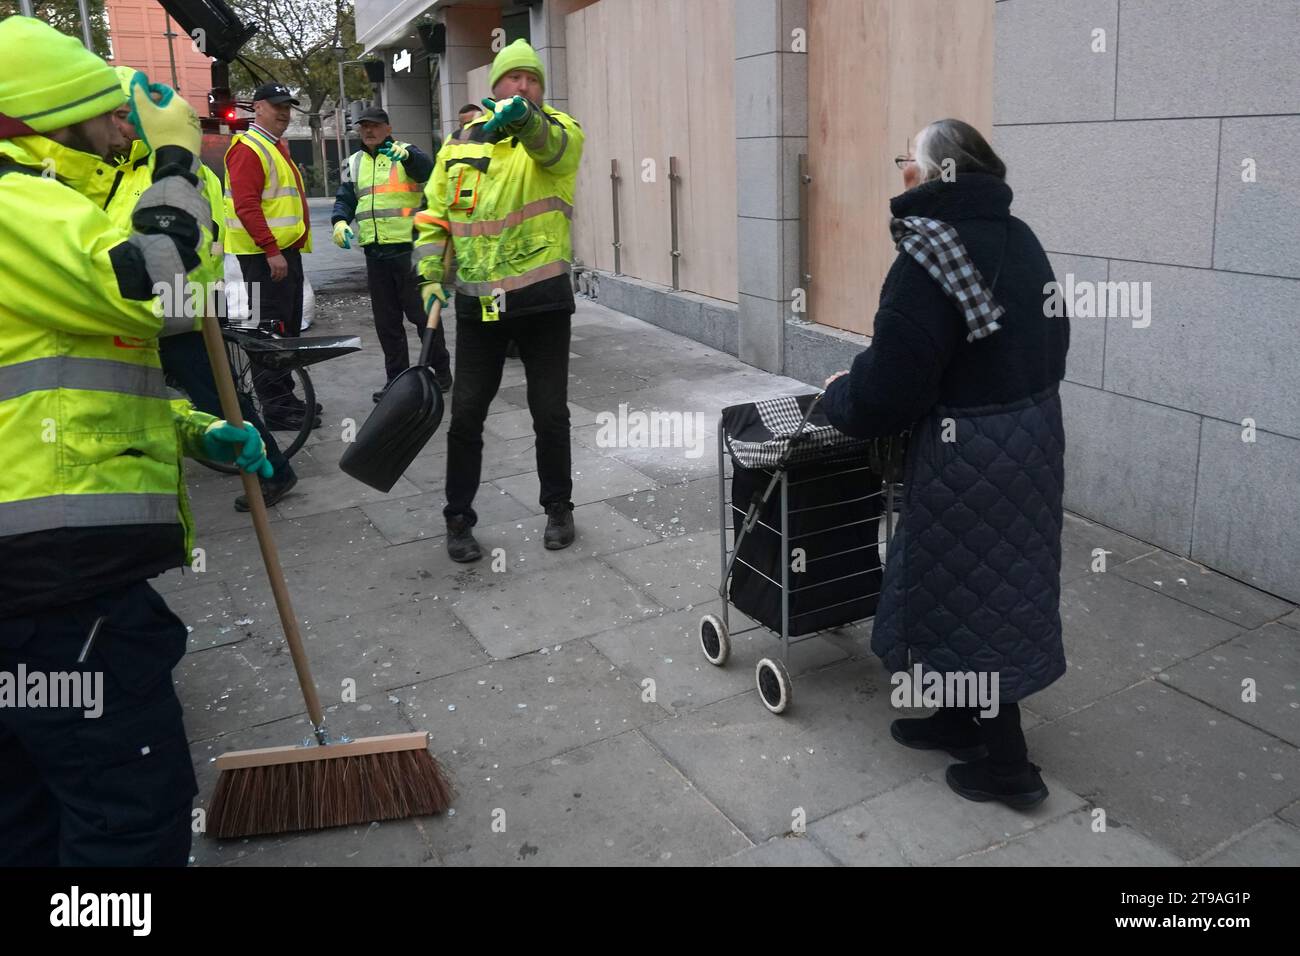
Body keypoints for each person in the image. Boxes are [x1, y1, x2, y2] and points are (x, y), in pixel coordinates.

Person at [0, 15, 272, 865]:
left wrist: (194, 431)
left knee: (33, 810)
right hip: (50, 587)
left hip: (39, 580)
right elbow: (149, 285)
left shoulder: (45, 210)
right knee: (128, 817)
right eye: (108, 112)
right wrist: (180, 159)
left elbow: (61, 376)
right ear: (49, 116)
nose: (125, 126)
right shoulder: (16, 205)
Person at [820, 118, 1069, 810]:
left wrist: (843, 401)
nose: (901, 170)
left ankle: (1010, 767)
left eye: (909, 160)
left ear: (935, 177)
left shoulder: (928, 255)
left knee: (979, 595)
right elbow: (1057, 336)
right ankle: (960, 720)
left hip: (970, 450)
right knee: (975, 584)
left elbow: (893, 385)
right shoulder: (1018, 237)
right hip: (1030, 437)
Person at [414, 39, 584, 562]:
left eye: (532, 79)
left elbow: (553, 149)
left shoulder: (559, 129)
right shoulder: (459, 143)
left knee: (549, 413)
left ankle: (559, 508)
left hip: (542, 302)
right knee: (465, 416)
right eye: (514, 79)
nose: (524, 86)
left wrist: (526, 120)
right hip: (478, 307)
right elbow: (435, 212)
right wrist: (429, 273)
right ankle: (458, 519)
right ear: (494, 87)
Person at [107, 66, 298, 510]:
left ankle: (274, 471)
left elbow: (196, 236)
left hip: (180, 305)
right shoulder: (116, 171)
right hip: (143, 309)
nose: (116, 125)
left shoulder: (172, 168)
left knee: (219, 397)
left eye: (123, 114)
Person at [331, 106, 451, 401]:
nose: (369, 131)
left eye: (374, 125)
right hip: (376, 253)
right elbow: (345, 197)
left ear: (388, 127)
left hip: (408, 251)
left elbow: (430, 172)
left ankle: (441, 371)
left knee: (422, 317)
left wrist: (408, 157)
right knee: (387, 323)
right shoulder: (353, 162)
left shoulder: (405, 152)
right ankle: (396, 378)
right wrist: (340, 221)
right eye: (364, 127)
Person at [223, 81, 320, 436]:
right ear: (257, 107)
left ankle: (286, 398)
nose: (284, 112)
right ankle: (276, 408)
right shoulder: (250, 148)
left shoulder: (272, 147)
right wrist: (272, 250)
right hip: (265, 258)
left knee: (285, 329)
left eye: (288, 106)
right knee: (271, 330)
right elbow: (246, 205)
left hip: (281, 255)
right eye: (277, 105)